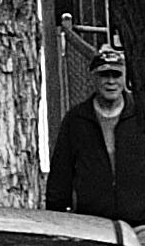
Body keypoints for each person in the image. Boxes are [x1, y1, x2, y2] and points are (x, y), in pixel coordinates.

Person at [48, 37, 136, 220]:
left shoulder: (142, 116)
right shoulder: (76, 120)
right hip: (93, 223)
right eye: (104, 75)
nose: (111, 81)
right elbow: (61, 174)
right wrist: (58, 218)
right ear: (93, 77)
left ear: (125, 77)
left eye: (116, 75)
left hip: (144, 224)